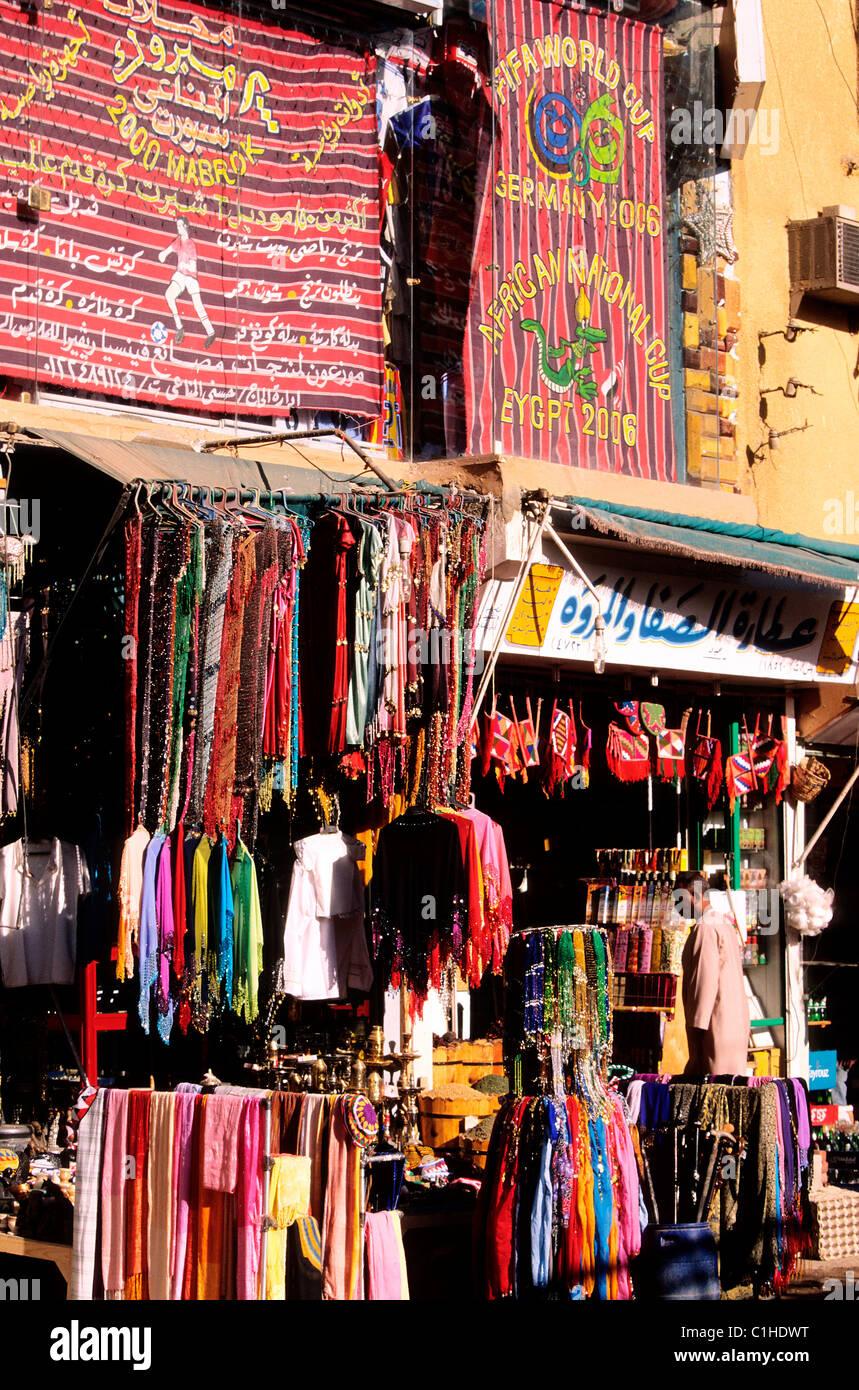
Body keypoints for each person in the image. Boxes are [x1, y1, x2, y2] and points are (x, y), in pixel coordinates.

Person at [677, 870, 750, 1076]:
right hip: (732, 1022)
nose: (677, 906)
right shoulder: (723, 923)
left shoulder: (706, 928)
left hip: (715, 1025)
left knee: (715, 1092)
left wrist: (696, 1029)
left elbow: (704, 981)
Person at [158, 217, 216, 349]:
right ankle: (179, 327)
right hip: (180, 275)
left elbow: (193, 268)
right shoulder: (178, 242)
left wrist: (185, 265)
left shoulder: (190, 244)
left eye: (180, 226)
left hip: (190, 277)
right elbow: (167, 251)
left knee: (198, 306)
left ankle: (211, 332)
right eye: (177, 226)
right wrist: (163, 254)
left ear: (186, 227)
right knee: (169, 295)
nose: (178, 228)